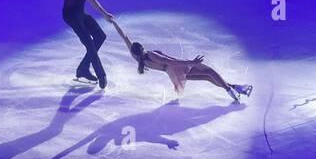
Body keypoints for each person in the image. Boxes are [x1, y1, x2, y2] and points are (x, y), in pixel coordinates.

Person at [108, 19, 253, 102]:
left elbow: (124, 37)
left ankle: (235, 88)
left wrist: (114, 23)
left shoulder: (137, 58)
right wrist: (192, 63)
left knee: (206, 77)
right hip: (177, 68)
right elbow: (172, 62)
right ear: (142, 48)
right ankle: (231, 90)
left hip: (173, 75)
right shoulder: (151, 55)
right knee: (209, 71)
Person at [62, 0, 143, 90]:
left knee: (100, 36)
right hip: (70, 15)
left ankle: (83, 69)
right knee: (88, 41)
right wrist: (105, 13)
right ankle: (101, 75)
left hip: (80, 13)